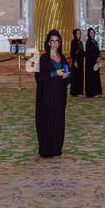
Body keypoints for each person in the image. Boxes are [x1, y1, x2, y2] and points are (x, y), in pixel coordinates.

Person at [36, 29, 70, 158]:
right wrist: (55, 73)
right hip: (47, 98)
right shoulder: (43, 59)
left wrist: (67, 75)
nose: (55, 44)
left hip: (60, 96)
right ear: (48, 43)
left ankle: (56, 148)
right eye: (52, 41)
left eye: (57, 41)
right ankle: (46, 149)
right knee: (48, 121)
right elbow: (39, 78)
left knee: (58, 121)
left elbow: (68, 76)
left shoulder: (63, 58)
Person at [84, 28, 102, 97]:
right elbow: (89, 53)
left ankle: (97, 92)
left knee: (96, 76)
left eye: (93, 32)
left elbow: (97, 50)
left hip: (95, 61)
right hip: (90, 62)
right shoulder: (88, 42)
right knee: (91, 77)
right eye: (91, 32)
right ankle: (91, 93)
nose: (92, 34)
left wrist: (99, 57)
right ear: (88, 33)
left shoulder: (94, 41)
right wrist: (95, 58)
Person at [69, 28, 85, 96]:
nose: (79, 35)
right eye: (78, 33)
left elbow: (82, 52)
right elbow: (72, 53)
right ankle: (75, 92)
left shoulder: (80, 42)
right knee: (75, 76)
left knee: (80, 76)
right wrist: (74, 61)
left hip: (81, 61)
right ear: (75, 34)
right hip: (76, 61)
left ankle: (80, 91)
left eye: (80, 33)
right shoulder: (73, 42)